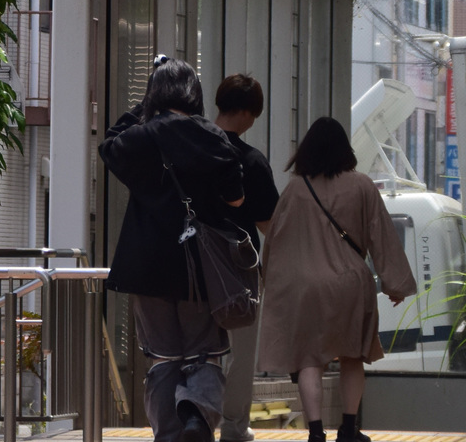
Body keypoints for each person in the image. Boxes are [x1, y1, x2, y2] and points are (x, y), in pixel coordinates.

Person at [99, 56, 247, 442]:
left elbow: (109, 145)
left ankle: (168, 435)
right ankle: (196, 413)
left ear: (155, 94)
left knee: (163, 357)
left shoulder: (141, 137)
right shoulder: (213, 137)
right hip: (200, 268)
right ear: (194, 94)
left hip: (147, 267)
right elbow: (235, 200)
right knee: (203, 352)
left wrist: (143, 106)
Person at [257, 117, 416, 442]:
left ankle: (316, 432)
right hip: (349, 285)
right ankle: (348, 428)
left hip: (305, 289)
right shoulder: (362, 185)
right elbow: (381, 236)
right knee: (352, 356)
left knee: (308, 360)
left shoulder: (296, 189)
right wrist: (394, 283)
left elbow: (276, 240)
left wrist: (270, 281)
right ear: (345, 149)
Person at [211, 74, 279, 442]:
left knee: (195, 347)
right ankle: (233, 428)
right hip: (239, 268)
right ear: (250, 114)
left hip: (191, 266)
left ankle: (193, 418)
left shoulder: (191, 151)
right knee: (240, 353)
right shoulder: (251, 161)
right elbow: (271, 222)